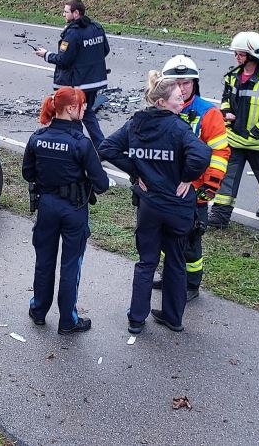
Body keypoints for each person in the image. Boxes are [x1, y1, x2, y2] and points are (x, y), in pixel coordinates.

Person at [98, 71, 211, 334]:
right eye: (177, 98)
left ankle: (137, 319)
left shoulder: (135, 124)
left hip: (149, 206)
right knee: (176, 261)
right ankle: (173, 318)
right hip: (178, 206)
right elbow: (202, 154)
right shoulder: (179, 127)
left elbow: (106, 148)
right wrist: (187, 177)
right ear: (161, 102)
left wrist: (136, 172)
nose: (181, 101)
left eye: (182, 97)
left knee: (146, 261)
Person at [22, 87, 110, 334]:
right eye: (82, 105)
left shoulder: (37, 138)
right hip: (74, 209)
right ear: (71, 109)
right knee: (71, 266)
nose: (85, 109)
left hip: (47, 207)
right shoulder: (81, 143)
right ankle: (68, 321)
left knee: (44, 262)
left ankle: (39, 311)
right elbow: (102, 183)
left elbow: (27, 172)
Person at [158, 55, 230, 301]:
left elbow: (220, 152)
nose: (181, 87)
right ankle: (170, 274)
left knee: (191, 238)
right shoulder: (162, 109)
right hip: (166, 187)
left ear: (194, 84)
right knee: (166, 234)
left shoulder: (208, 113)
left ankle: (191, 284)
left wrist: (210, 186)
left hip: (195, 189)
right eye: (176, 82)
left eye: (186, 82)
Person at [208, 32, 259, 226]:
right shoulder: (233, 76)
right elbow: (225, 99)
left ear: (253, 56)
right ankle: (220, 215)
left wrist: (255, 133)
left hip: (258, 143)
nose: (237, 57)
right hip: (234, 139)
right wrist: (226, 113)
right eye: (237, 54)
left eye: (241, 54)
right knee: (228, 177)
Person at [34, 0, 109, 147]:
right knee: (87, 113)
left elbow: (63, 60)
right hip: (95, 82)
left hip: (78, 84)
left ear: (76, 13)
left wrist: (46, 54)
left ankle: (77, 146)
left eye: (66, 12)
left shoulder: (72, 34)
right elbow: (105, 50)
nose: (63, 14)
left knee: (74, 116)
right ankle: (102, 147)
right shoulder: (97, 28)